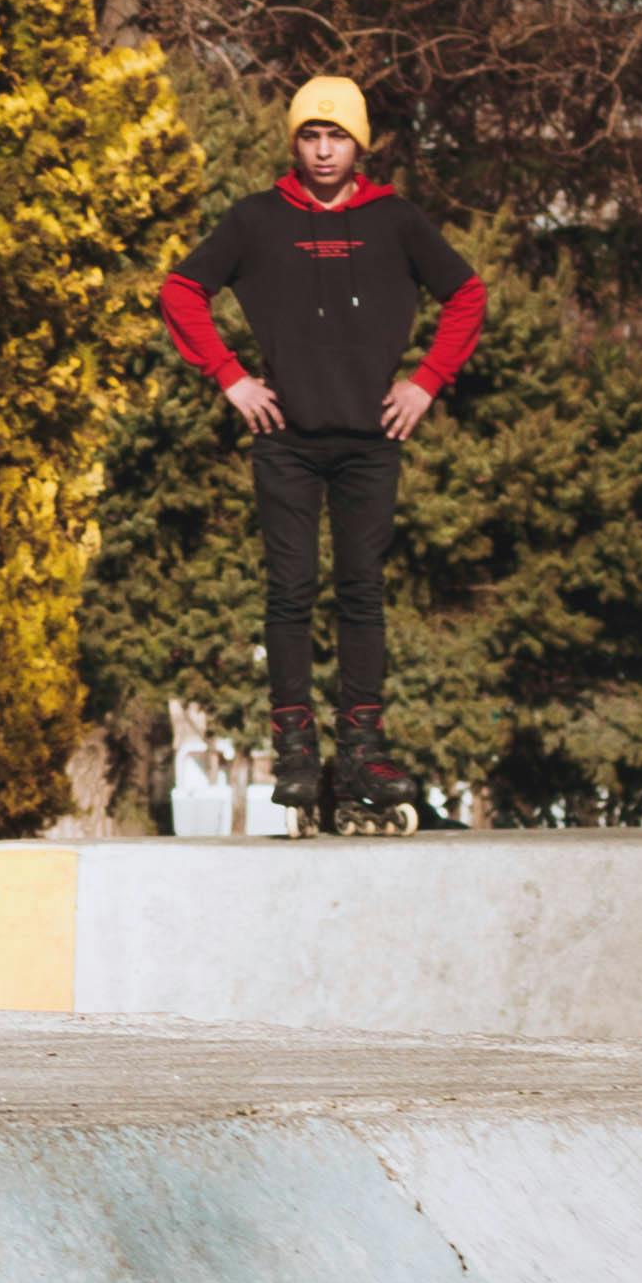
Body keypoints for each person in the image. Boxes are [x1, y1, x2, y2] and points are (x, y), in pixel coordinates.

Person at [159, 79, 482, 821]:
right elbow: (181, 290)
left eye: (336, 137)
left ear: (359, 145)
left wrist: (427, 382)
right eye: (310, 136)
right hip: (286, 439)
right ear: (295, 143)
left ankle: (363, 749)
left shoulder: (394, 220)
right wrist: (231, 378)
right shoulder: (257, 220)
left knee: (363, 588)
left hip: (371, 439)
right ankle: (297, 753)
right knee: (291, 589)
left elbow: (467, 294)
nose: (323, 149)